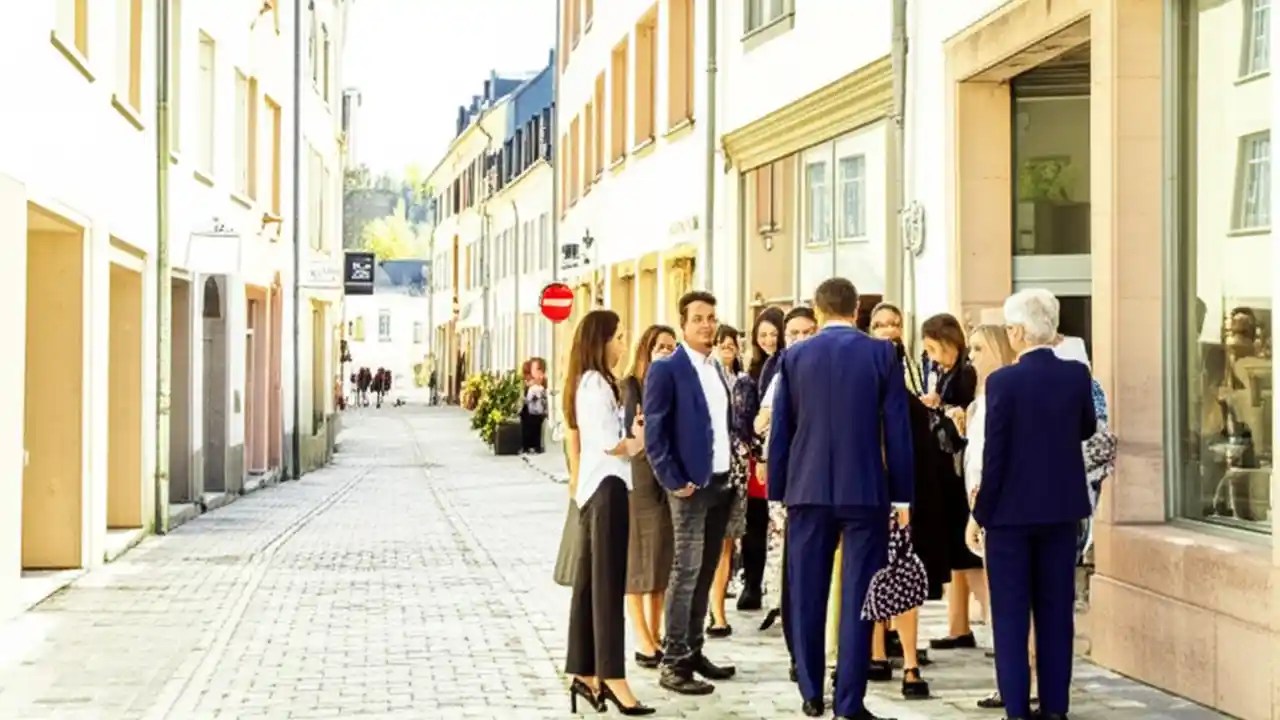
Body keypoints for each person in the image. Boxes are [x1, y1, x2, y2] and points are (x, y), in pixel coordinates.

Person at [769, 278, 914, 720]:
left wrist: (777, 494)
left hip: (806, 489)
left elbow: (782, 430)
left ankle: (811, 692)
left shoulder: (794, 356)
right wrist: (903, 497)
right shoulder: (881, 354)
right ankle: (849, 702)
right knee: (858, 596)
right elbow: (897, 429)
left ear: (816, 311)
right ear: (857, 312)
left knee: (807, 592)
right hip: (865, 489)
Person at [973, 289, 1096, 720]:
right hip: (1061, 510)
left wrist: (979, 514)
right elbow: (1086, 428)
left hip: (1009, 515)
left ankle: (1018, 711)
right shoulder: (1077, 375)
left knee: (1010, 617)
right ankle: (1056, 709)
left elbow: (996, 454)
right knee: (1055, 613)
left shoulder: (1002, 382)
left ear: (1018, 331)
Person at [643, 290, 737, 696]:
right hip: (689, 488)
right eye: (698, 318)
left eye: (712, 317)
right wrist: (672, 478)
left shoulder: (715, 367)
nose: (707, 324)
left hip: (720, 484)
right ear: (683, 324)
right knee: (685, 573)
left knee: (704, 574)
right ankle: (674, 663)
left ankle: (694, 650)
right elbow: (655, 432)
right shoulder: (667, 369)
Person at [562, 310, 655, 716]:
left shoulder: (590, 383)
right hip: (607, 488)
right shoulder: (596, 384)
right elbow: (609, 444)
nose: (622, 344)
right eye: (618, 336)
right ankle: (612, 676)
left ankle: (584, 673)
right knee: (606, 587)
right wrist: (637, 440)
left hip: (594, 490)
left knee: (589, 587)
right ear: (600, 341)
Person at [864, 302, 949, 699]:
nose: (888, 329)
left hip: (908, 487)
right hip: (869, 486)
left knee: (904, 570)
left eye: (894, 323)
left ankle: (909, 661)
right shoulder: (864, 368)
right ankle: (878, 651)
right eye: (879, 324)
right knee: (875, 571)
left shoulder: (912, 367)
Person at [919, 314, 986, 652]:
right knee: (957, 555)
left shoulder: (966, 374)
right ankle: (958, 625)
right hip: (947, 470)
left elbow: (965, 420)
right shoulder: (945, 372)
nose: (931, 356)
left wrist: (942, 407)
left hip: (961, 471)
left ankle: (992, 619)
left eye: (933, 348)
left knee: (967, 554)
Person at [620, 325, 678, 670]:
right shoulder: (632, 386)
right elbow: (633, 434)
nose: (666, 352)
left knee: (660, 561)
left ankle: (655, 635)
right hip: (640, 478)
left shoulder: (674, 385)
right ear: (646, 350)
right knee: (638, 561)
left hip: (666, 479)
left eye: (672, 346)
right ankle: (642, 639)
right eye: (660, 346)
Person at [739, 308, 785, 611]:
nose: (768, 339)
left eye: (773, 333)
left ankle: (778, 587)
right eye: (763, 334)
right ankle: (752, 583)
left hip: (776, 452)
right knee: (753, 522)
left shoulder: (786, 364)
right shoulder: (752, 369)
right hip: (755, 456)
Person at [708, 325, 749, 638]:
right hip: (712, 468)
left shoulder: (744, 381)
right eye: (722, 344)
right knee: (706, 543)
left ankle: (719, 610)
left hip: (738, 469)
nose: (727, 348)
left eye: (731, 344)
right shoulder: (706, 377)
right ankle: (708, 609)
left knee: (727, 543)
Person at [520, 357, 548, 453]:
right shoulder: (529, 384)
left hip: (538, 411)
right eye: (536, 370)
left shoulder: (541, 383)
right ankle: (527, 445)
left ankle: (535, 446)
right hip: (531, 410)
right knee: (529, 426)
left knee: (536, 428)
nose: (540, 374)